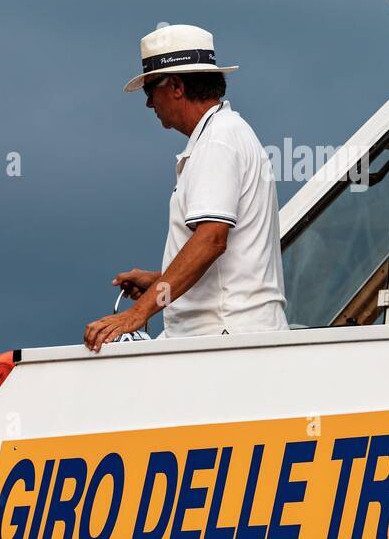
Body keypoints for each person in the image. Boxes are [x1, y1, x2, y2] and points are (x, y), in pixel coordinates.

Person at [84, 24, 288, 351]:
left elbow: (210, 239)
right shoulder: (225, 133)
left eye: (151, 89)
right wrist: (158, 284)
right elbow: (224, 256)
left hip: (226, 341)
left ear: (176, 86)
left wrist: (136, 314)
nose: (149, 103)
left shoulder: (217, 141)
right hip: (235, 337)